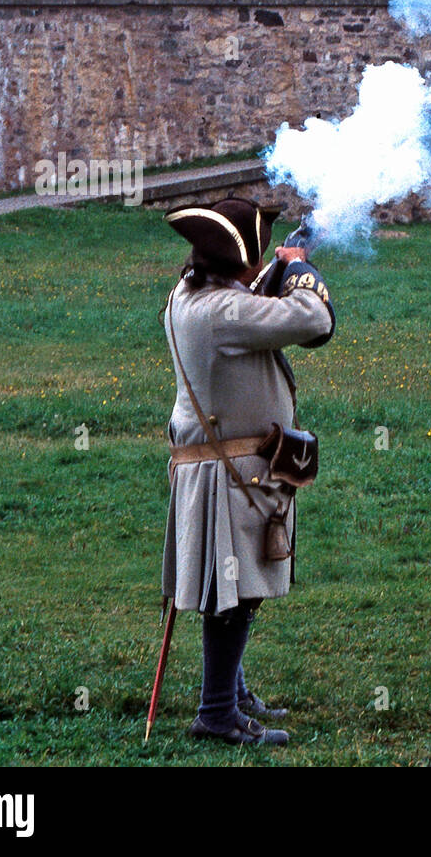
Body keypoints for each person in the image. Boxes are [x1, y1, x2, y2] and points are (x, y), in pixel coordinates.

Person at [160, 197, 335, 746]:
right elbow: (314, 320)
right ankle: (217, 713)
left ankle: (229, 696)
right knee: (235, 593)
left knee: (231, 588)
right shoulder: (224, 312)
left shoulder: (189, 295)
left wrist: (273, 272)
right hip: (235, 471)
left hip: (222, 467)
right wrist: (300, 268)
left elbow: (243, 303)